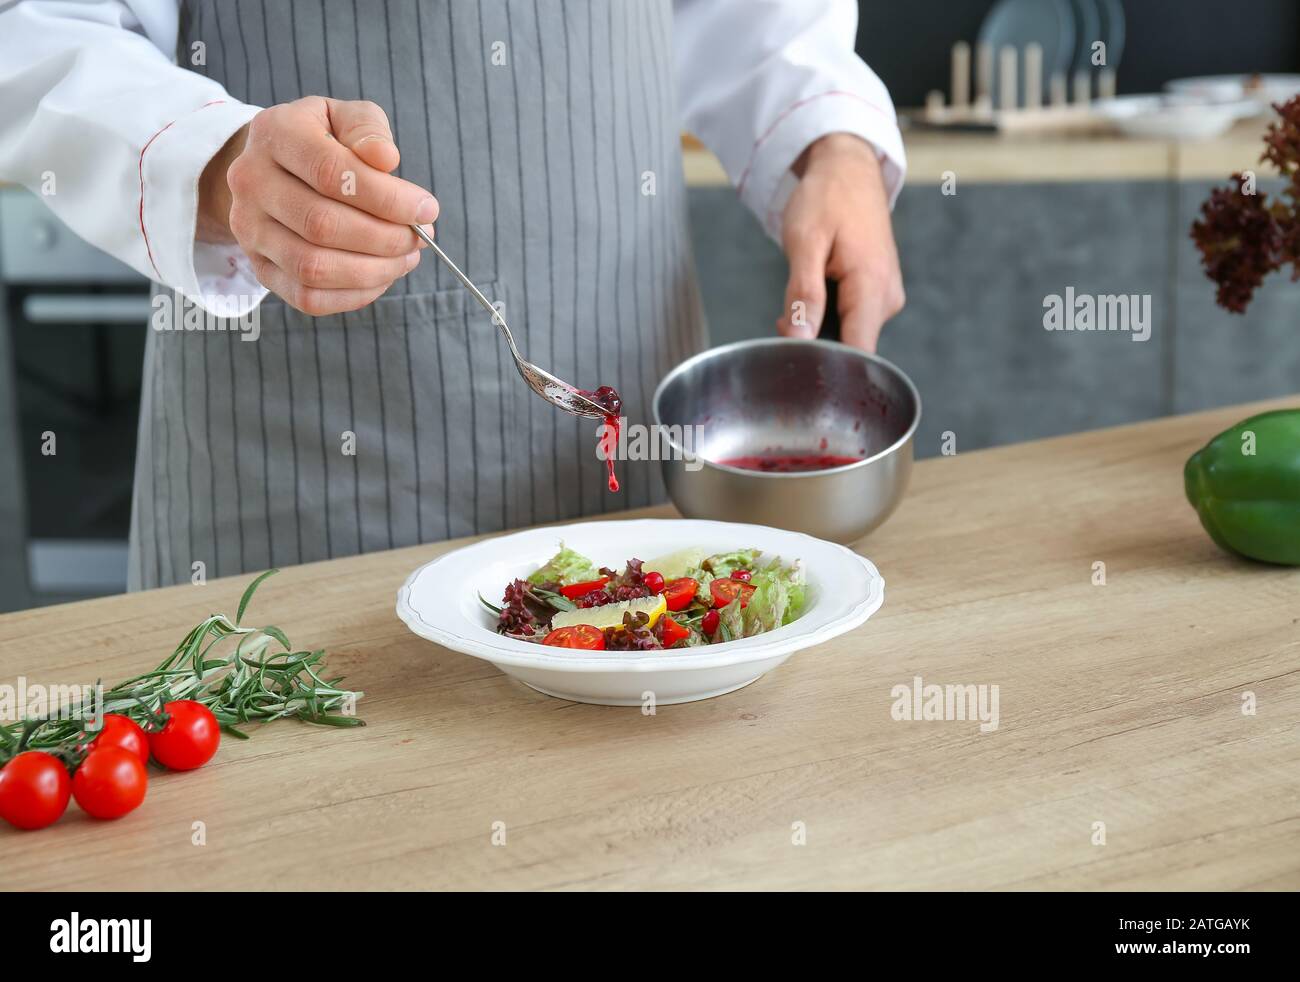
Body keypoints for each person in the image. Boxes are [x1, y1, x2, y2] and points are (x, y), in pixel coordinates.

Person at [0, 0, 906, 589]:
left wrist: (829, 138)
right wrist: (219, 165)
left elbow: (757, 22)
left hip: (632, 455)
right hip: (289, 479)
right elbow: (34, 28)